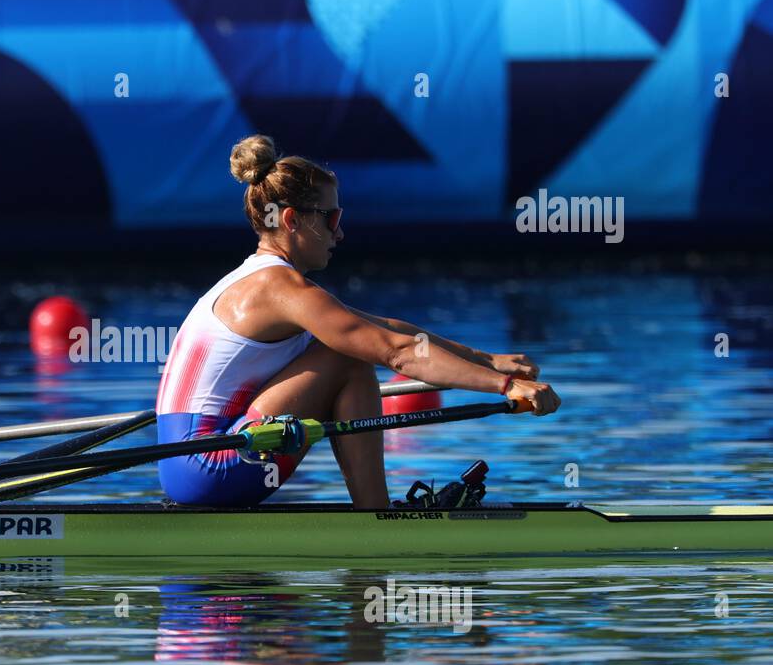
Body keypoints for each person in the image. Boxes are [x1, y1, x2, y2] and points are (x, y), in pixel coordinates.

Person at [155, 135, 561, 507]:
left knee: (352, 344)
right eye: (331, 218)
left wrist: (486, 360)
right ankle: (376, 518)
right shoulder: (278, 288)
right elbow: (396, 353)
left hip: (195, 463)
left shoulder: (261, 280)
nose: (340, 233)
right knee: (350, 357)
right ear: (293, 220)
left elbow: (391, 330)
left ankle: (374, 514)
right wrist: (506, 387)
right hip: (209, 465)